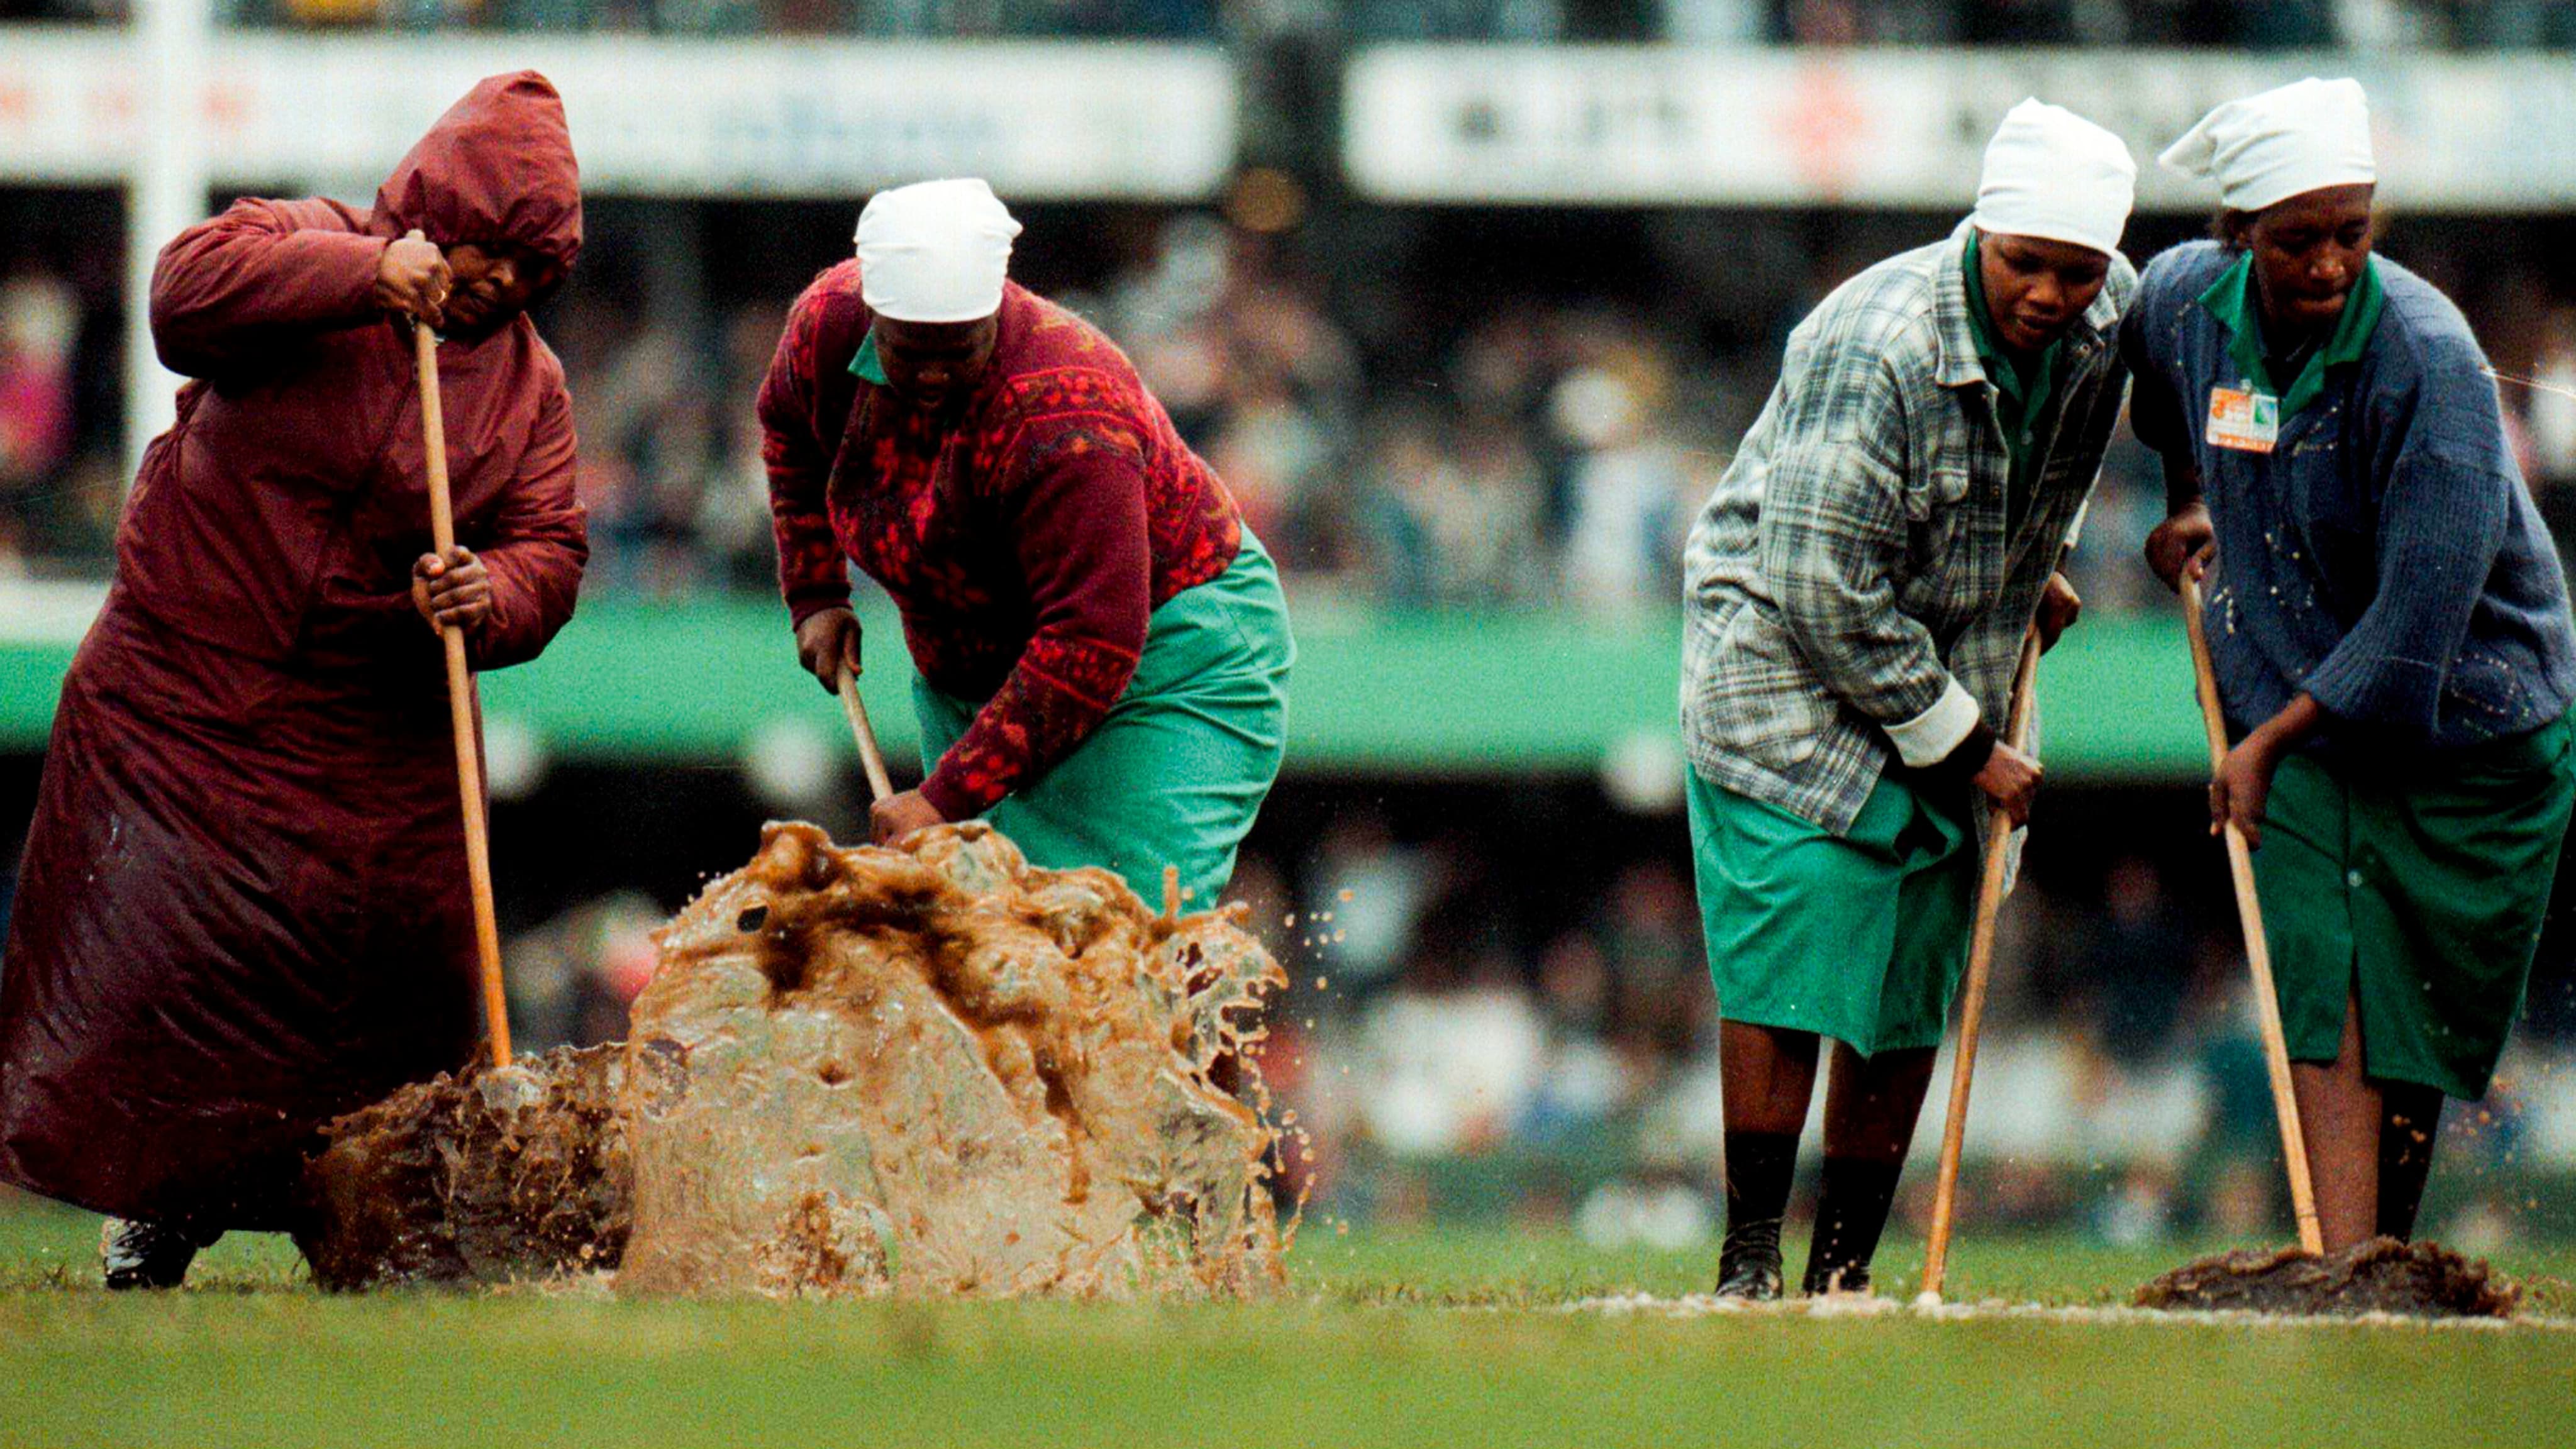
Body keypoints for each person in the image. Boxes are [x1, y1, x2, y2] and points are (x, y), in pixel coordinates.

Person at [0, 73, 587, 1288]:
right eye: (489, 256)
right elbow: (180, 295)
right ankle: (159, 1209)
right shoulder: (300, 242)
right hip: (190, 690)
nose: (504, 290)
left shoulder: (533, 390)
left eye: (532, 274)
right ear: (434, 209)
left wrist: (494, 592)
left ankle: (398, 1211)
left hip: (377, 729)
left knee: (400, 985)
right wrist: (365, 280)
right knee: (163, 965)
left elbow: (551, 547)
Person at [1680, 100, 2138, 1299]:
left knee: (1910, 972)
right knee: (1801, 933)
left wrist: (2037, 558)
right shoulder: (1872, 340)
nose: (2048, 293)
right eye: (2023, 262)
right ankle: (1747, 1260)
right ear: (1979, 231)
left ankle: (1844, 1271)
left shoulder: (2113, 312)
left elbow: (2066, 448)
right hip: (1787, 657)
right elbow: (1818, 582)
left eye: (2075, 271)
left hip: (1960, 639)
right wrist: (1966, 744)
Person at [2126, 78, 2576, 1254]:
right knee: (2316, 967)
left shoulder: (2427, 358)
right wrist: (2185, 499)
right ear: (2236, 238)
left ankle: (2381, 1252)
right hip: (2300, 690)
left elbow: (2420, 617)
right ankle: (2341, 1265)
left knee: (2408, 993)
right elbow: (2154, 384)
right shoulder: (2182, 302)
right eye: (2296, 240)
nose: (2329, 264)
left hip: (2470, 716)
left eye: (2350, 233)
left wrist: (2263, 746)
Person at [757, 179, 1293, 906]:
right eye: (910, 351)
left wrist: (942, 798)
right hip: (978, 664)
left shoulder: (1069, 413)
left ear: (997, 307)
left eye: (960, 348)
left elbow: (1093, 640)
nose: (934, 374)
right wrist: (815, 590)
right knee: (976, 934)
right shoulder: (825, 323)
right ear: (873, 315)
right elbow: (791, 434)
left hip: (1164, 656)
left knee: (1114, 925)